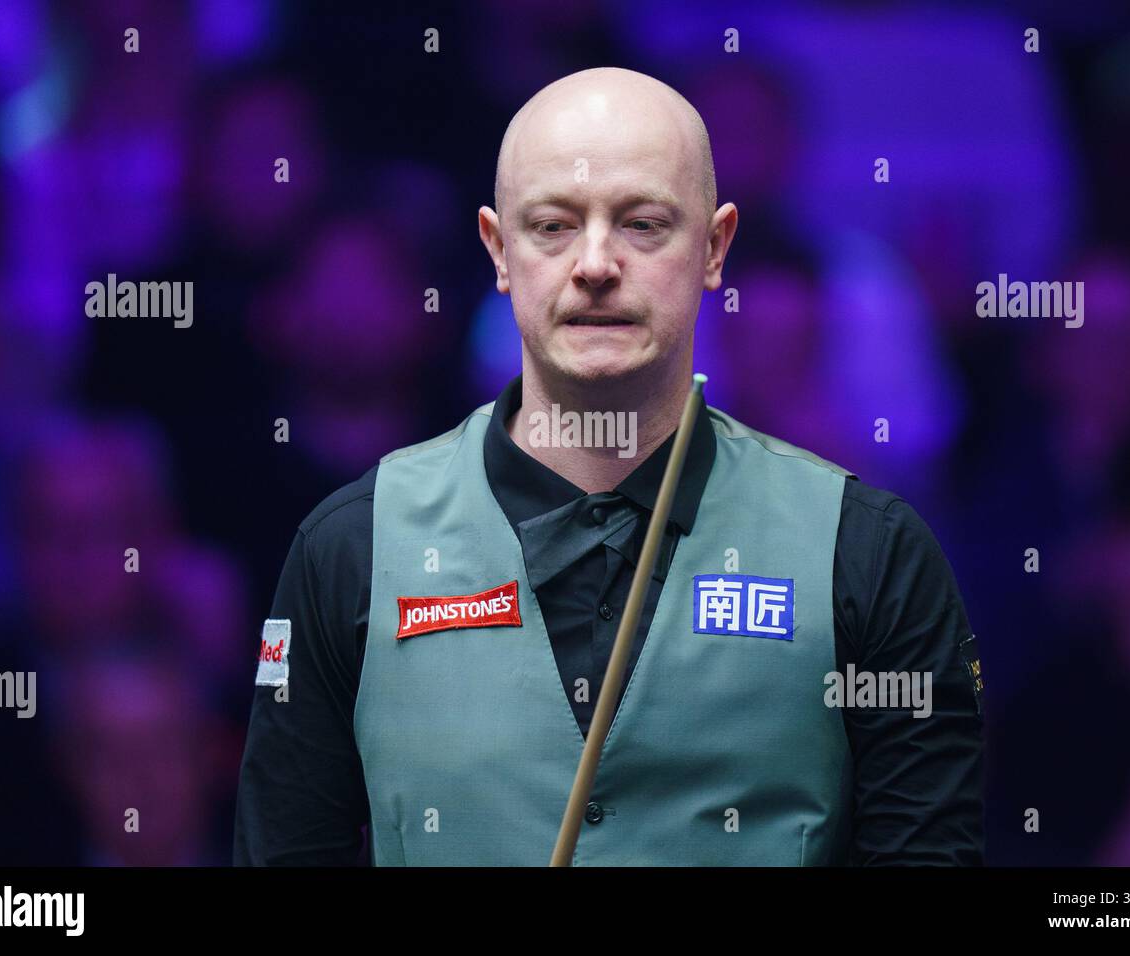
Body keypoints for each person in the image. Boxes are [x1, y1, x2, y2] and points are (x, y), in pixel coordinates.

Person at [234, 67, 983, 866]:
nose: (595, 264)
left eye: (643, 224)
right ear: (497, 251)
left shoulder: (869, 552)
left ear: (714, 247)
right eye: (553, 226)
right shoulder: (351, 547)